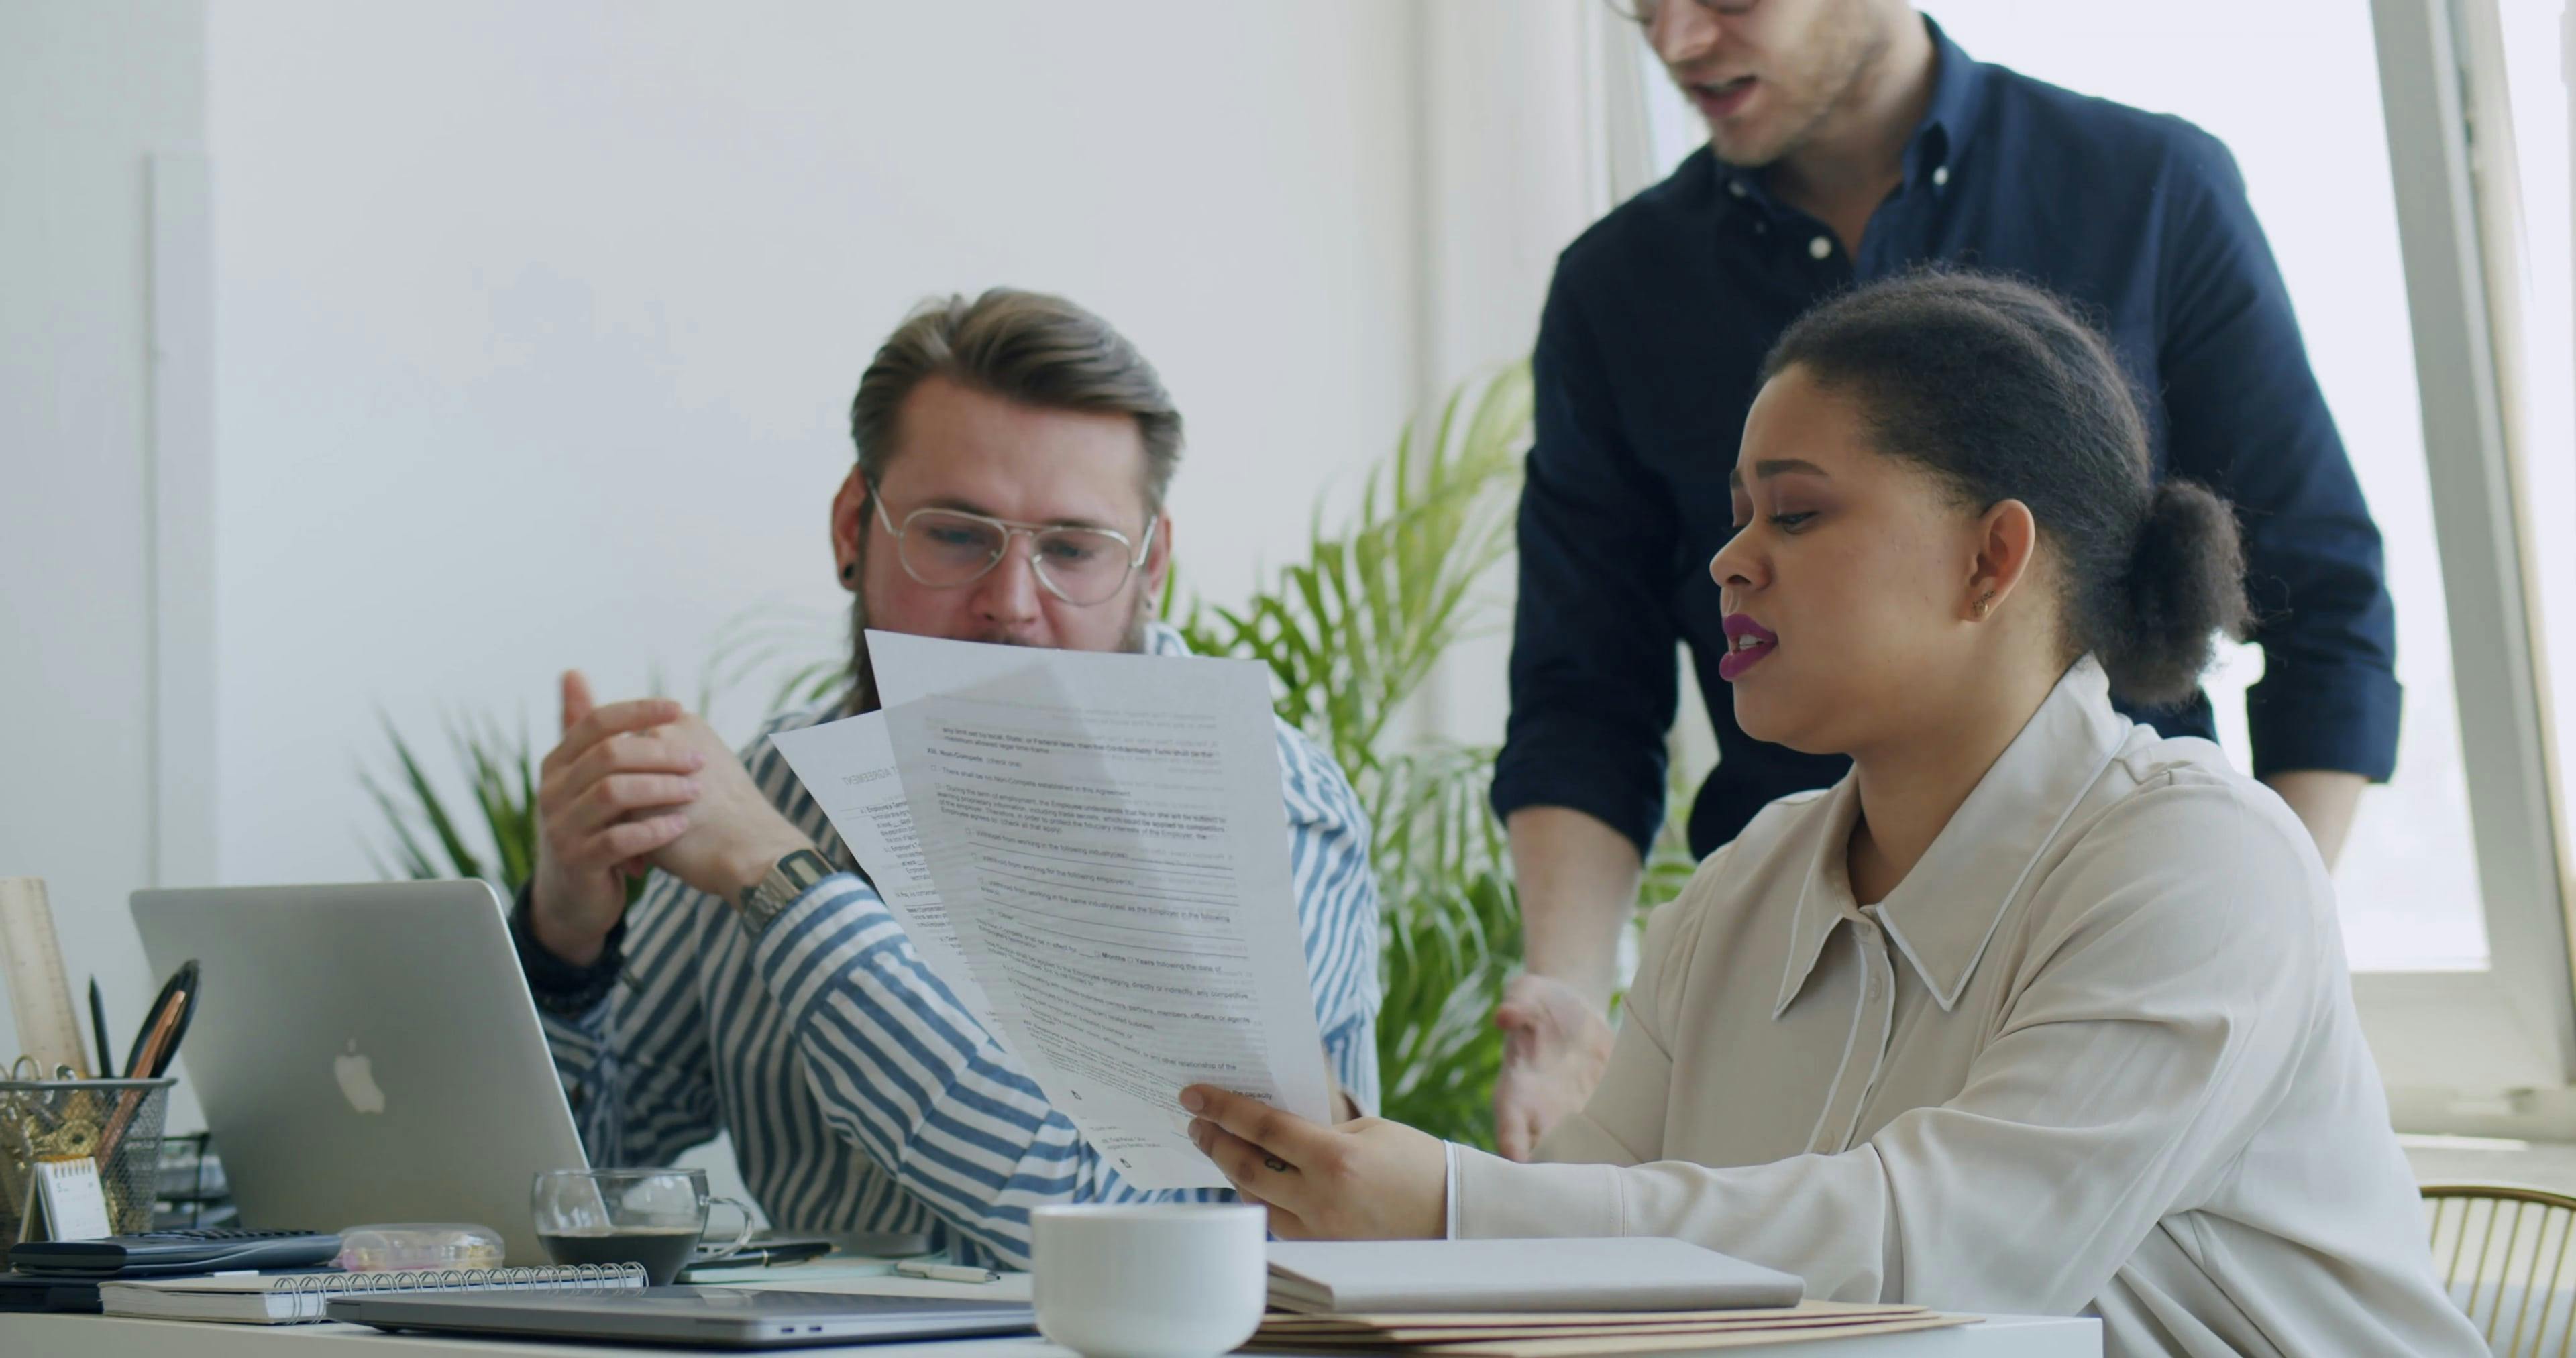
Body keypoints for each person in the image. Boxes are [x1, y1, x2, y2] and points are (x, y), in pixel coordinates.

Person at [1177, 273, 2479, 1355]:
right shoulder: (1744, 883)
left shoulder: (2201, 855)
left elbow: (1960, 1256)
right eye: (1738, 513)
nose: (1729, 560)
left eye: (1794, 512)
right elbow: (1567, 1241)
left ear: (1993, 557)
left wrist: (1447, 1202)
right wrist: (1354, 1194)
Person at [1490, 0, 2405, 1159]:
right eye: (1642, 5)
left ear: (1997, 555)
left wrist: (2260, 946)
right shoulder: (1618, 286)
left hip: (2107, 926)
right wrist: (1572, 1004)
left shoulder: (2147, 188)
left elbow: (2324, 599)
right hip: (1797, 977)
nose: (1678, 42)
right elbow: (1583, 691)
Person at [509, 288, 1381, 1269]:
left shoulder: (1269, 809)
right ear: (853, 528)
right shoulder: (771, 791)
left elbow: (1111, 1225)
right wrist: (563, 944)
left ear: (1153, 567)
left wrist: (787, 886)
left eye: (1072, 549)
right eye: (959, 535)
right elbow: (569, 1189)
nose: (1011, 604)